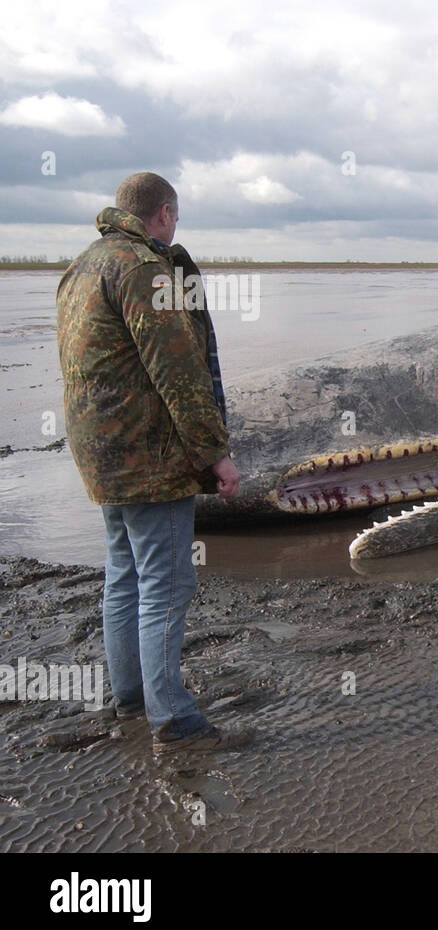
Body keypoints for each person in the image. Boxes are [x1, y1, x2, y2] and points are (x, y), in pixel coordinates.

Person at [56, 172, 254, 756]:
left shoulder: (83, 266)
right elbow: (181, 373)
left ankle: (133, 700)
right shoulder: (144, 269)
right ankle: (176, 721)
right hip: (149, 457)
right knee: (166, 585)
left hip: (101, 454)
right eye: (176, 216)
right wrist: (215, 454)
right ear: (163, 214)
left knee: (124, 575)